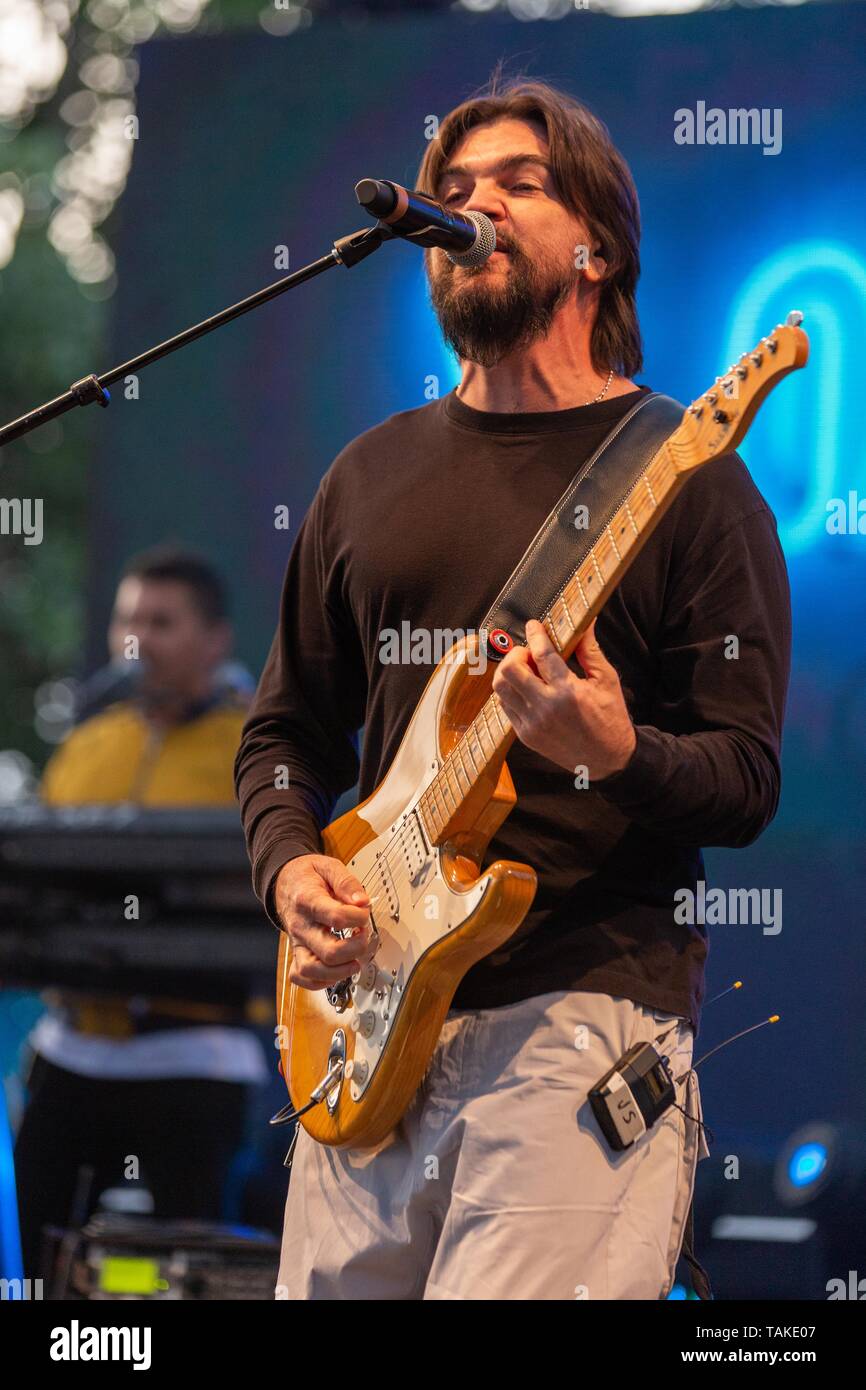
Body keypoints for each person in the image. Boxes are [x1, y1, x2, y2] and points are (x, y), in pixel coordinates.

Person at [234, 75, 791, 1300]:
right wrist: (290, 865)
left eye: (515, 186)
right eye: (451, 190)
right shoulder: (364, 478)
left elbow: (743, 778)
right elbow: (282, 733)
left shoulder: (687, 476)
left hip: (574, 1032)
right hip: (364, 1025)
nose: (470, 204)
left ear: (594, 246)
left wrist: (613, 747)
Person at [15, 546, 268, 1279]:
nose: (138, 641)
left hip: (194, 1054)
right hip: (72, 1051)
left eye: (161, 622)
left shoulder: (252, 743)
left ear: (214, 639)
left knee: (172, 1274)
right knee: (41, 1261)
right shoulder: (87, 743)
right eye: (129, 621)